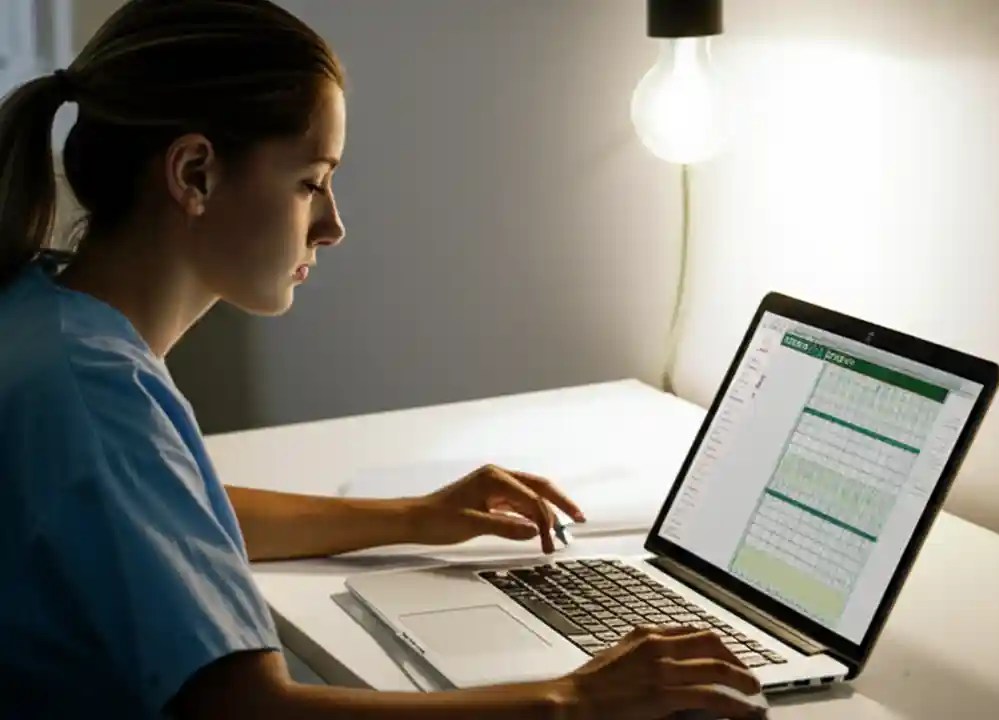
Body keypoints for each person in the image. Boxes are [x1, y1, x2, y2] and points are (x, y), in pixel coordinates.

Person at [0, 1, 765, 718]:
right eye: (311, 183)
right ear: (195, 174)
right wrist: (576, 699)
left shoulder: (46, 312)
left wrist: (416, 516)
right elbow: (247, 710)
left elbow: (164, 514)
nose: (332, 225)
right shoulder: (100, 389)